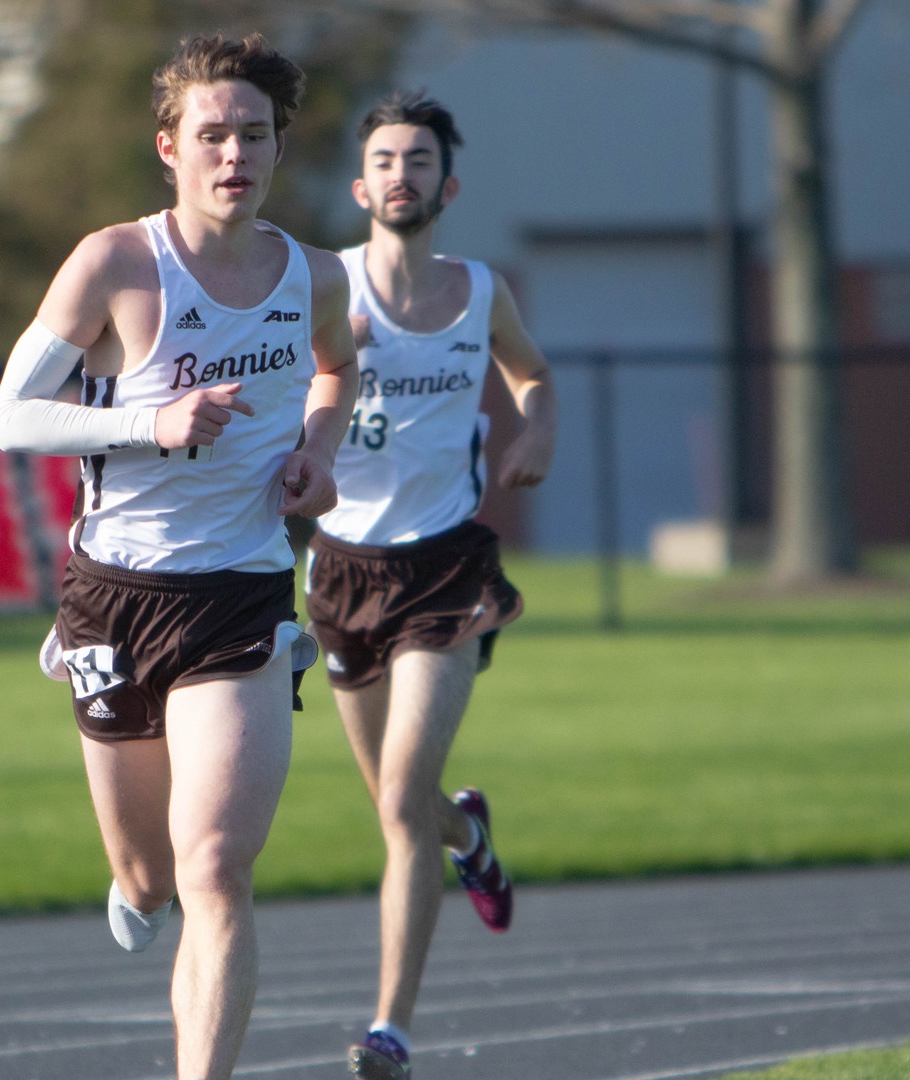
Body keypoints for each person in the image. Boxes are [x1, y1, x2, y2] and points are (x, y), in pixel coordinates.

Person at [0, 33, 359, 1080]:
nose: (234, 154)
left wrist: (319, 455)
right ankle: (135, 885)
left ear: (279, 148)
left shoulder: (314, 278)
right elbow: (13, 419)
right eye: (213, 135)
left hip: (240, 594)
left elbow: (338, 371)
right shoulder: (114, 263)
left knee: (217, 869)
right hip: (114, 596)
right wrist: (152, 424)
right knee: (151, 877)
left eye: (254, 134)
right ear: (169, 147)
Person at [306, 91, 558, 1080]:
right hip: (341, 571)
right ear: (361, 184)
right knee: (402, 808)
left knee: (404, 795)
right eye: (383, 159)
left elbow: (532, 375)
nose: (400, 174)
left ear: (444, 185)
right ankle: (473, 837)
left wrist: (537, 429)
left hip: (446, 565)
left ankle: (391, 1031)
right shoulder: (324, 290)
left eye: (418, 160)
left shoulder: (481, 290)